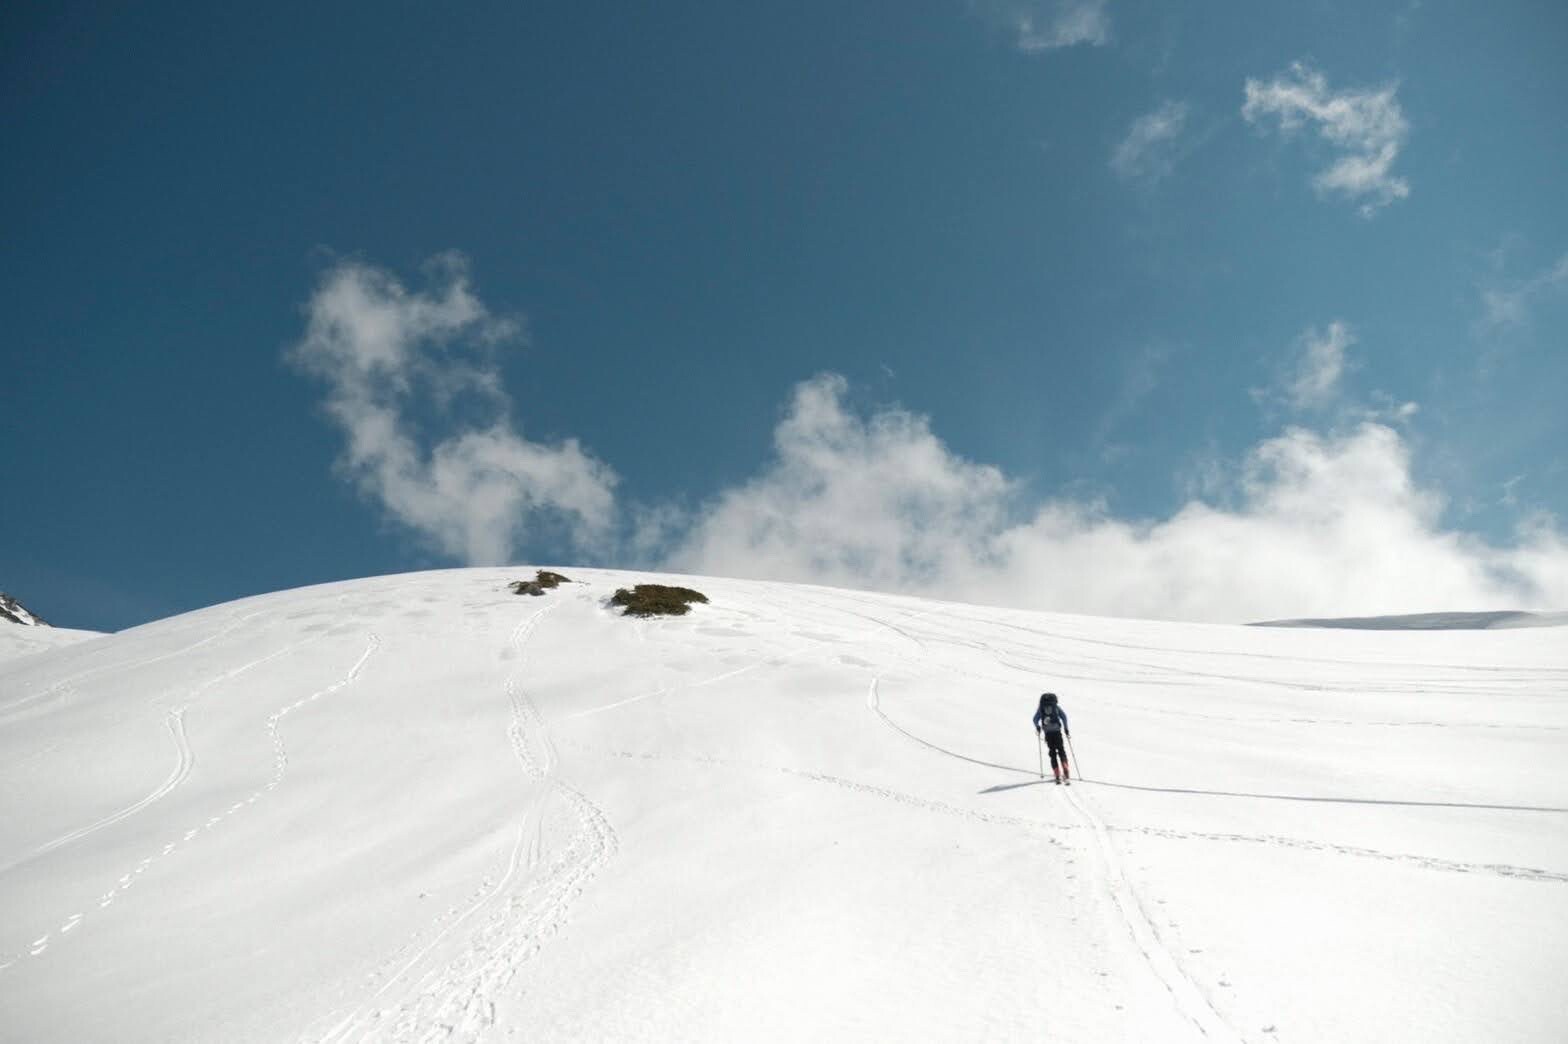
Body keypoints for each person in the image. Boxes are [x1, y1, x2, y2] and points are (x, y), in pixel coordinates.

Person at [1033, 692, 1071, 783]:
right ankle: (1065, 767)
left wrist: (1038, 727)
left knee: (1052, 752)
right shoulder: (1056, 707)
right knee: (1061, 750)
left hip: (1048, 733)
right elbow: (1064, 717)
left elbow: (1035, 719)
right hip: (1057, 731)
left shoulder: (1041, 708)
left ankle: (1057, 773)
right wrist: (1066, 728)